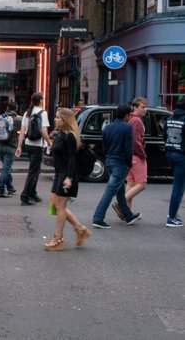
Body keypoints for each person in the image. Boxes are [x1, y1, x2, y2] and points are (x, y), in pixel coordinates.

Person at [44, 108, 91, 251]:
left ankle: (58, 239)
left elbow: (72, 159)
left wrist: (69, 178)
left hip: (66, 175)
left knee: (60, 206)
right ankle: (80, 229)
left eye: (58, 118)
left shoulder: (69, 136)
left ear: (65, 120)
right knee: (55, 202)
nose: (55, 120)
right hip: (59, 173)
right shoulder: (60, 135)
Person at [91, 103, 142, 228]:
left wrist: (109, 156)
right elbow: (128, 148)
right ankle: (98, 218)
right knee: (110, 191)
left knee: (120, 191)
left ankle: (128, 216)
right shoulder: (127, 128)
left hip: (109, 161)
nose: (129, 117)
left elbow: (104, 146)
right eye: (129, 115)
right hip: (120, 163)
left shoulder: (108, 127)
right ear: (126, 115)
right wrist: (129, 164)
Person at [15, 92, 52, 206]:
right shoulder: (43, 113)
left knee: (36, 170)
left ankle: (32, 193)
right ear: (40, 100)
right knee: (33, 172)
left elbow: (22, 131)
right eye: (42, 99)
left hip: (28, 144)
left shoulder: (27, 113)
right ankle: (25, 196)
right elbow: (43, 131)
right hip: (37, 146)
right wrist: (50, 143)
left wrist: (19, 146)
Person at [114, 97, 148, 220]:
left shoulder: (131, 119)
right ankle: (121, 204)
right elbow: (135, 140)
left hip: (129, 155)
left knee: (131, 183)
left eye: (145, 106)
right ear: (135, 107)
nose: (145, 109)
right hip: (136, 155)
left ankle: (126, 213)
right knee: (142, 184)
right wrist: (142, 154)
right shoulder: (137, 121)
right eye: (142, 107)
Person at [164, 96, 185, 227]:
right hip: (181, 155)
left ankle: (174, 214)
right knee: (178, 186)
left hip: (170, 152)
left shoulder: (169, 118)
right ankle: (171, 217)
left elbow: (164, 136)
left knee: (179, 184)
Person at [0, 101, 21, 198]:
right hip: (10, 147)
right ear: (16, 108)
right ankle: (0, 189)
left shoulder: (0, 117)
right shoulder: (17, 119)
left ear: (7, 108)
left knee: (6, 168)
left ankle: (10, 187)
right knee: (6, 169)